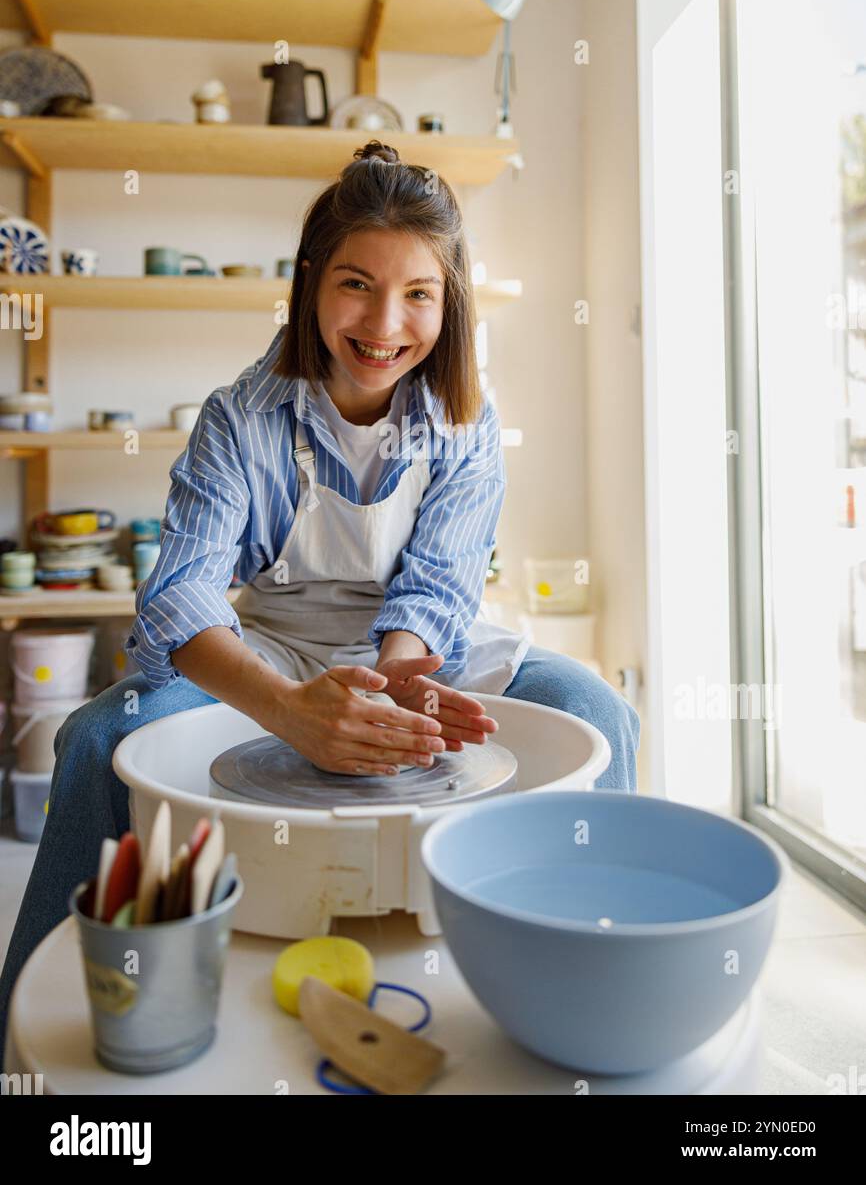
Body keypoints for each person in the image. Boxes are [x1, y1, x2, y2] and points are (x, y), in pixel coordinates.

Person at [0, 141, 639, 1061]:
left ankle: (584, 982)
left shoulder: (466, 421)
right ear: (309, 282)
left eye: (419, 293)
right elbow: (178, 595)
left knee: (599, 712)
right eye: (355, 284)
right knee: (96, 739)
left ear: (449, 301)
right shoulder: (242, 417)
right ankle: (28, 1039)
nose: (385, 322)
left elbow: (441, 586)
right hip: (277, 650)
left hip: (424, 649)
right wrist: (287, 710)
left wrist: (398, 684)